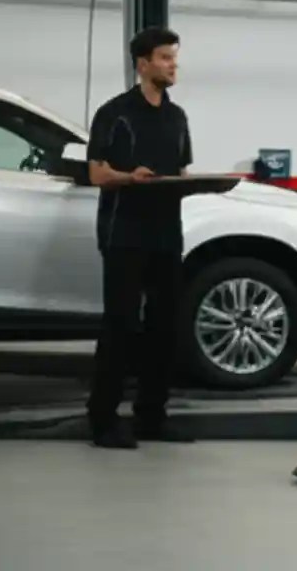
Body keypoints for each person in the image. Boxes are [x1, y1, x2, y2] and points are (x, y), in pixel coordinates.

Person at [85, 26, 195, 449]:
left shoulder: (177, 117)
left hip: (166, 235)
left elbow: (180, 172)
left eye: (174, 58)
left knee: (164, 328)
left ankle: (152, 417)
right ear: (143, 64)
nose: (173, 65)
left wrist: (196, 185)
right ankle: (103, 420)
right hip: (124, 235)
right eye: (165, 58)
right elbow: (97, 173)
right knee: (121, 327)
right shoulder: (115, 113)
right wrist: (129, 177)